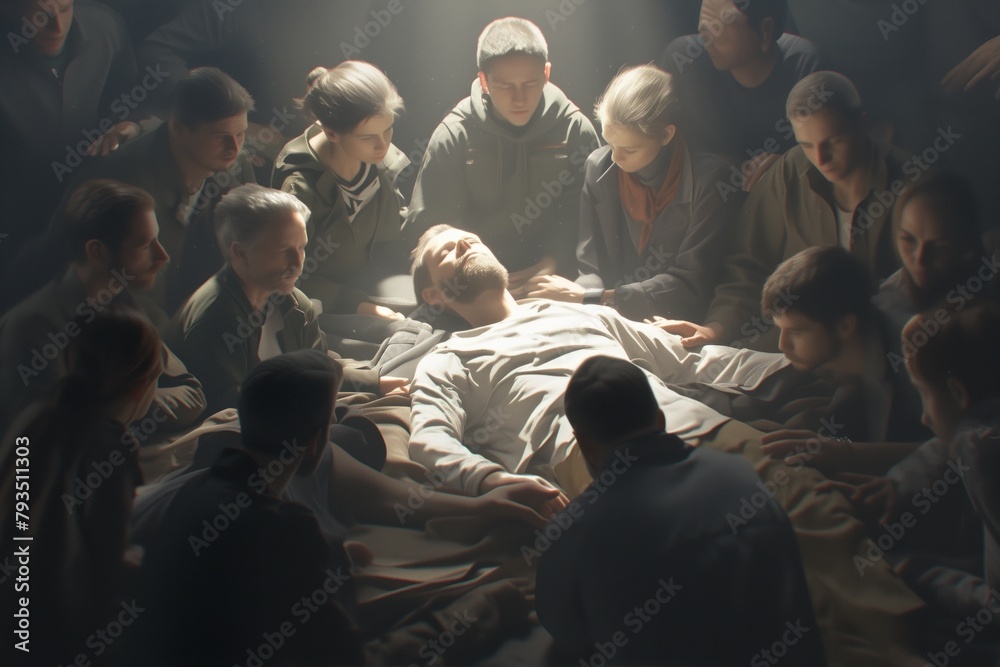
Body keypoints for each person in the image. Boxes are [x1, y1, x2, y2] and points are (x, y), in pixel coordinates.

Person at [406, 224, 926, 665]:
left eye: (467, 237)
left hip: (686, 422)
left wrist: (792, 361)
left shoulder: (582, 314)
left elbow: (689, 360)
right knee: (693, 571)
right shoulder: (451, 358)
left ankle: (900, 647)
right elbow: (430, 438)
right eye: (444, 253)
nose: (463, 246)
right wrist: (493, 480)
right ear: (433, 295)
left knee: (814, 510)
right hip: (594, 456)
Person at [536, 355, 825, 666]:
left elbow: (567, 633)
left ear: (583, 444)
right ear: (660, 420)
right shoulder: (739, 477)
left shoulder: (574, 533)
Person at [128, 349, 363, 666]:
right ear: (315, 440)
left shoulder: (192, 493)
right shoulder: (285, 527)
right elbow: (343, 651)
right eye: (330, 419)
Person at [659, 70, 911, 351]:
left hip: (878, 351)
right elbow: (747, 265)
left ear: (861, 125)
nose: (821, 159)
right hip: (787, 347)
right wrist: (717, 328)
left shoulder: (912, 185)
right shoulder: (788, 173)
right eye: (807, 145)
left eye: (834, 142)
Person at [20, 66, 258, 315]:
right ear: (178, 129)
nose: (234, 147)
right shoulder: (123, 191)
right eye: (221, 136)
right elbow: (127, 300)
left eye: (241, 134)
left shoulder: (230, 162)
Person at [0, 310, 163, 666]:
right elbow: (106, 563)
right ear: (141, 385)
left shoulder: (36, 418)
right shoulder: (109, 446)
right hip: (61, 635)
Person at [520, 64, 738, 323]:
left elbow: (689, 283)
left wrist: (593, 298)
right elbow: (591, 265)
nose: (615, 157)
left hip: (677, 324)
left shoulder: (709, 182)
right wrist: (580, 300)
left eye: (630, 149)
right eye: (609, 143)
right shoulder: (598, 167)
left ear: (666, 134)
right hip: (605, 314)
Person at [402, 16, 600, 287]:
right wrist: (478, 277)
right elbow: (432, 230)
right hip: (473, 281)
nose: (519, 98)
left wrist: (553, 263)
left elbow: (587, 218)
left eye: (530, 84)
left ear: (546, 74)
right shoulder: (454, 135)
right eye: (505, 86)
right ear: (483, 81)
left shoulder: (575, 130)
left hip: (558, 277)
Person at [0, 179, 205, 438]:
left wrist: (134, 400)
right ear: (97, 252)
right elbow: (28, 450)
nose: (163, 256)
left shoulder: (125, 306)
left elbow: (191, 392)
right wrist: (131, 400)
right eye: (144, 245)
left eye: (158, 240)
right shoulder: (34, 327)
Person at [174, 184, 403, 416]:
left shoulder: (296, 304)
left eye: (302, 247)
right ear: (240, 252)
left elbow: (319, 370)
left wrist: (376, 382)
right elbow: (230, 409)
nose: (297, 263)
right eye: (283, 250)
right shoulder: (214, 319)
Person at [0, 0, 139, 274]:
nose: (58, 27)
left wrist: (131, 125)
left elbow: (135, 94)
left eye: (65, 8)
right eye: (41, 16)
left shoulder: (105, 27)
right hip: (17, 231)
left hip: (95, 221)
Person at [273, 60, 411, 318]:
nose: (383, 145)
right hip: (325, 308)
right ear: (331, 133)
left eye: (388, 129)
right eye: (367, 137)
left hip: (379, 283)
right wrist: (358, 305)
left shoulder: (380, 163)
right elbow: (286, 278)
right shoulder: (299, 190)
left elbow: (397, 230)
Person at [660, 0, 821, 187]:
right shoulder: (683, 63)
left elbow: (830, 152)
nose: (704, 35)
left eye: (720, 26)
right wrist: (711, 165)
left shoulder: (806, 69)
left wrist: (790, 164)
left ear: (765, 30)